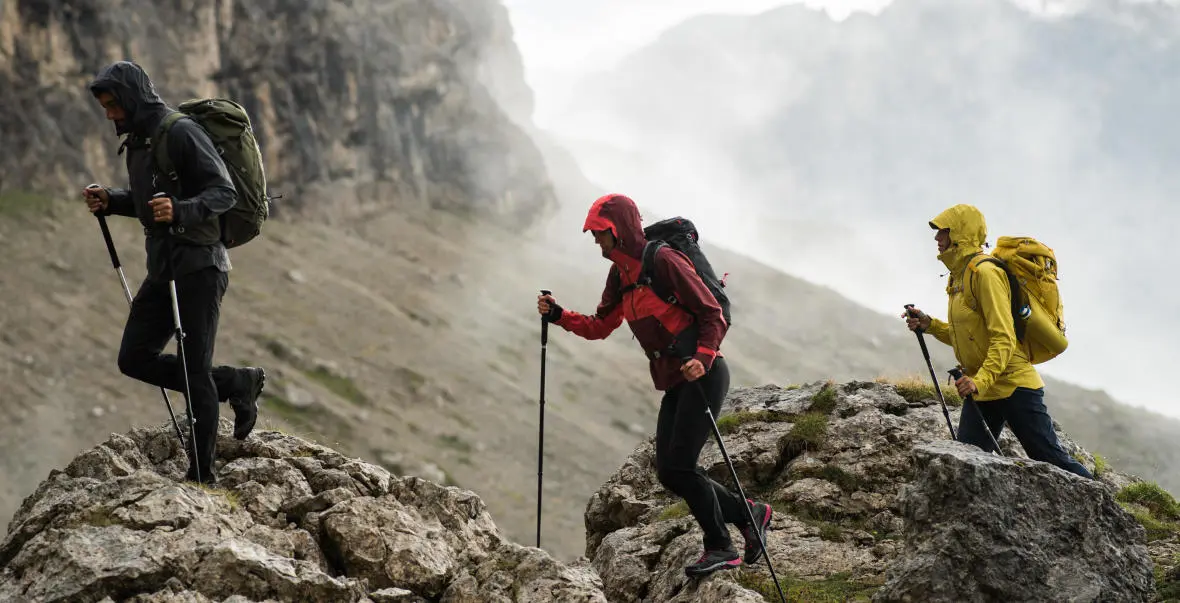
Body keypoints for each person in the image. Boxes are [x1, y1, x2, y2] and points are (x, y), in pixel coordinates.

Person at [536, 193, 773, 577]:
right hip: (675, 381)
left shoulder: (663, 259)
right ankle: (751, 514)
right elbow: (600, 327)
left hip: (704, 375)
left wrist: (704, 357)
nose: (596, 241)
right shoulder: (620, 275)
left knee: (680, 466)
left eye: (600, 233)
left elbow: (712, 314)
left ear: (618, 230)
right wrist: (560, 315)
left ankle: (720, 546)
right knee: (669, 471)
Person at [82, 60, 267, 485]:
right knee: (133, 358)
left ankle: (203, 476)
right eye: (105, 107)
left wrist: (181, 210)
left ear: (131, 98)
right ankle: (238, 382)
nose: (110, 114)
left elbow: (223, 191)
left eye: (113, 105)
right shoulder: (141, 142)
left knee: (193, 368)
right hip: (165, 265)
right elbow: (153, 204)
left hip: (201, 265)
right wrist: (111, 200)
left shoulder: (180, 131)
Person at [905, 203, 1093, 479]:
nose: (937, 239)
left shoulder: (986, 274)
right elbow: (968, 336)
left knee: (1050, 458)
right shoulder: (959, 277)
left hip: (1013, 383)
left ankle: (1105, 507)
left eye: (943, 232)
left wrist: (979, 381)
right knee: (964, 465)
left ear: (960, 234)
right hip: (982, 388)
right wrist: (929, 325)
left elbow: (1003, 337)